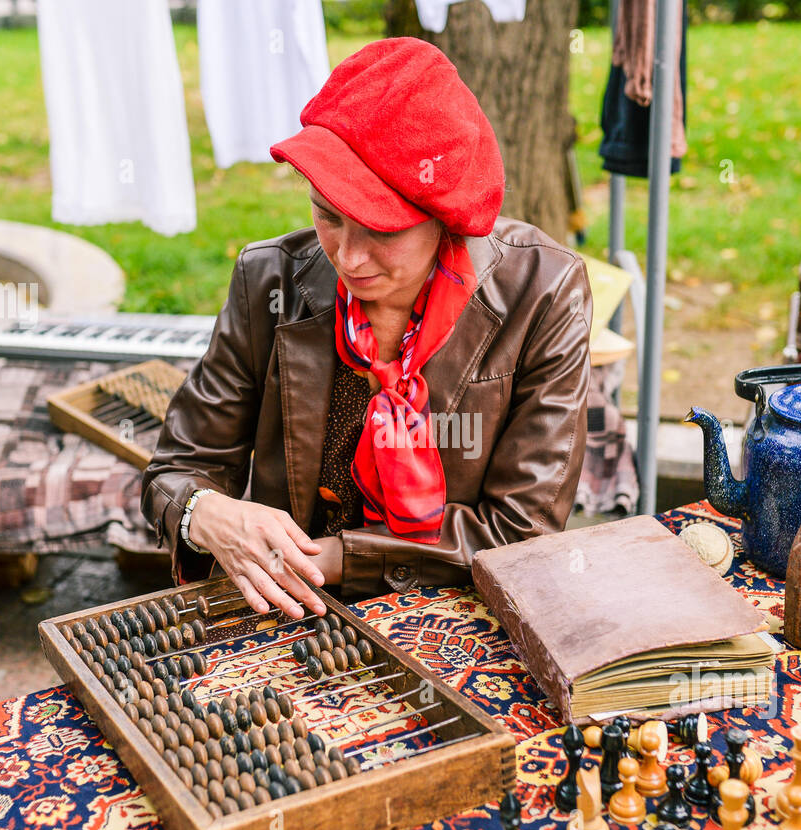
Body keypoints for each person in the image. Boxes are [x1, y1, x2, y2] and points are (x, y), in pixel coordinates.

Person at [141, 37, 591, 621]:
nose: (348, 258)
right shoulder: (269, 279)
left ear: (444, 217)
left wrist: (334, 559)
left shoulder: (542, 292)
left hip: (453, 619)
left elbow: (520, 531)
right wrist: (205, 513)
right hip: (286, 611)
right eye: (327, 215)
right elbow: (176, 469)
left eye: (380, 230)